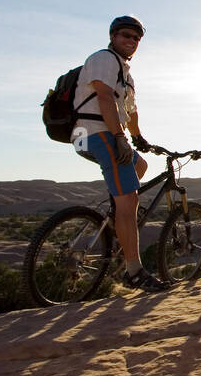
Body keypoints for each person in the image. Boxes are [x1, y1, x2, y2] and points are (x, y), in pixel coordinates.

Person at [70, 14, 169, 291]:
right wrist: (118, 137)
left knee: (140, 166)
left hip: (103, 134)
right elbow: (103, 98)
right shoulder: (104, 59)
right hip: (95, 133)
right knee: (129, 203)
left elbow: (130, 110)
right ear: (113, 37)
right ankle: (134, 272)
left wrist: (137, 138)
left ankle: (115, 220)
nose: (131, 41)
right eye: (126, 35)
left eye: (136, 38)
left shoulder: (125, 74)